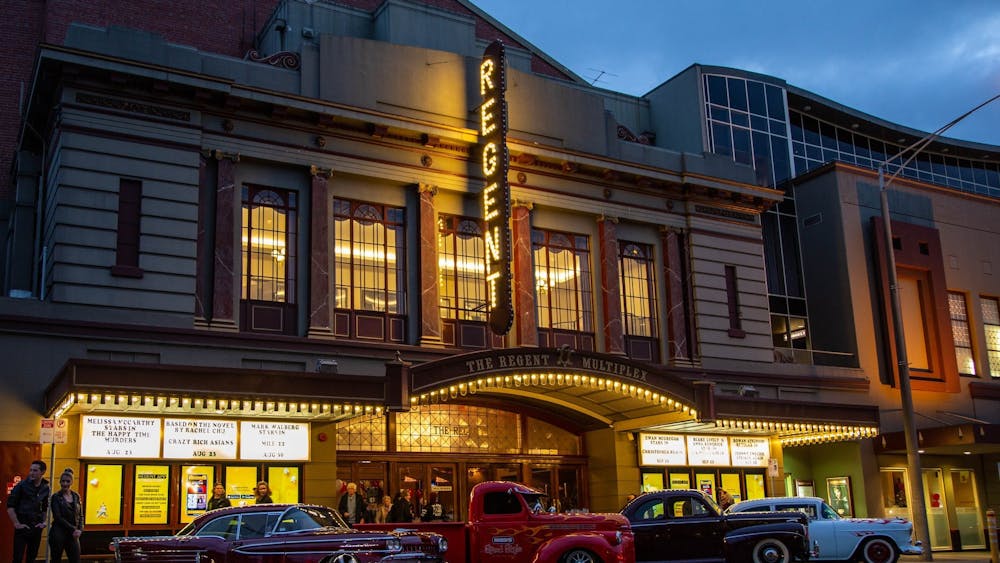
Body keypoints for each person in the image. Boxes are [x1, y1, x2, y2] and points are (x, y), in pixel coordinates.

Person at [7, 460, 50, 563]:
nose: (31, 473)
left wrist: (44, 522)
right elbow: (10, 506)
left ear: (43, 472)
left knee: (32, 557)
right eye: (30, 470)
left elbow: (45, 508)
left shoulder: (45, 488)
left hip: (36, 528)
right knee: (17, 558)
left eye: (35, 470)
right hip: (22, 527)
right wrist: (17, 523)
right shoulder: (21, 486)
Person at [48, 470, 83, 563]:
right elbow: (58, 517)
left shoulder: (76, 496)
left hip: (73, 534)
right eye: (63, 481)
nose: (65, 484)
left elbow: (81, 515)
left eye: (67, 481)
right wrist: (73, 529)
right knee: (56, 559)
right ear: (59, 482)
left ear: (72, 482)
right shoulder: (56, 497)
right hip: (58, 533)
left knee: (76, 559)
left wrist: (80, 529)